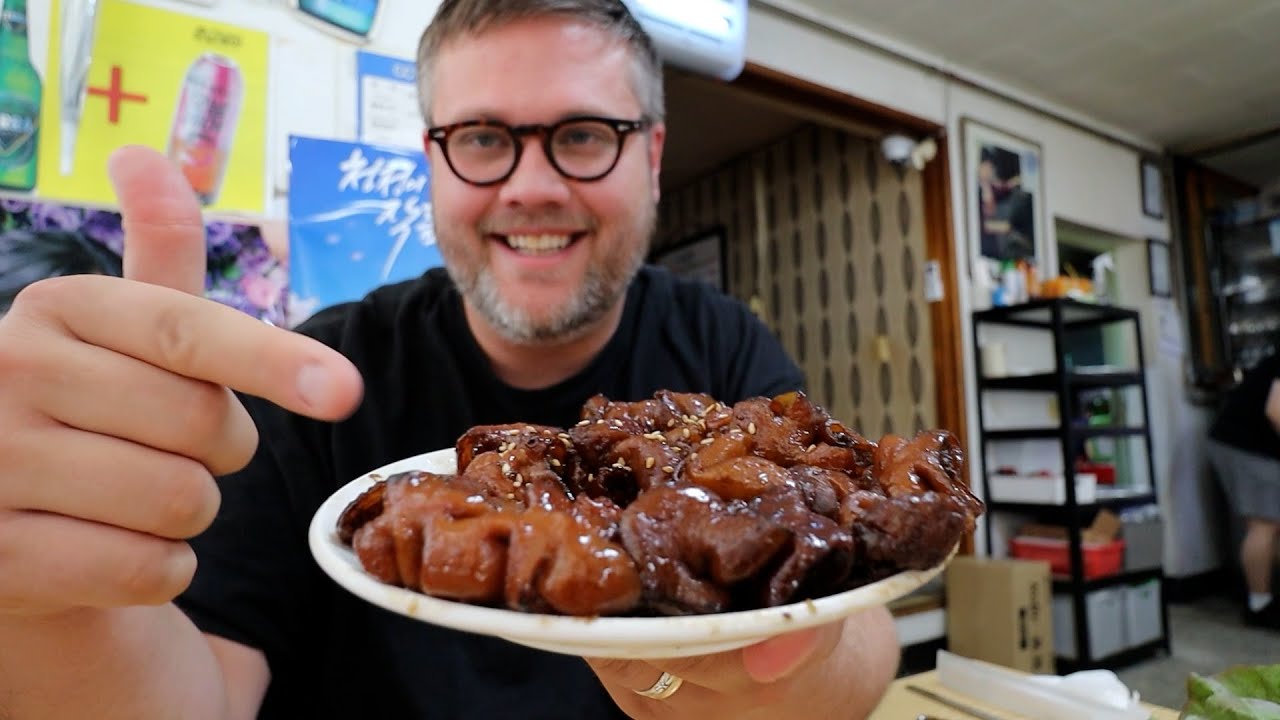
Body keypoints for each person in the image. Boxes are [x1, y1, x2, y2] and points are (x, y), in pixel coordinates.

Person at [0, 1, 901, 717]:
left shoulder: (723, 351)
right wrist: (50, 611)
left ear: (653, 156)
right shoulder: (318, 371)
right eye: (481, 139)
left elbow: (863, 645)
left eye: (584, 134)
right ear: (429, 158)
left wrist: (793, 679)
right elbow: (205, 694)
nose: (533, 185)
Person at [1207, 351, 1280, 630]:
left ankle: (1265, 595)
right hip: (1244, 446)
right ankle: (1259, 606)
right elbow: (1276, 410)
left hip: (1248, 444)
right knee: (1265, 523)